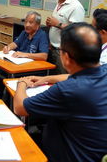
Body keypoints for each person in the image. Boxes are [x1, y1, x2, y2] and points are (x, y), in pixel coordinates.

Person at [14, 22, 107, 162]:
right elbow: (74, 76)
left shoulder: (67, 90)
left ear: (66, 57)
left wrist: (21, 83)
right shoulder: (104, 71)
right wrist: (47, 78)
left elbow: (20, 107)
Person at [0, 11, 49, 98]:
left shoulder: (42, 35)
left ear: (37, 25)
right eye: (26, 22)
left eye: (30, 22)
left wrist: (25, 54)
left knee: (9, 77)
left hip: (31, 68)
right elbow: (15, 43)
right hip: (18, 64)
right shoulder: (24, 32)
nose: (27, 25)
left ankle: (10, 102)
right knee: (1, 72)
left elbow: (44, 56)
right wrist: (8, 47)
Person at [46, 0, 85, 74]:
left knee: (61, 82)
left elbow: (76, 30)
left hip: (64, 53)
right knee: (51, 80)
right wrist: (52, 25)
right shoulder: (60, 2)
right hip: (53, 49)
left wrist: (58, 24)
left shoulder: (76, 7)